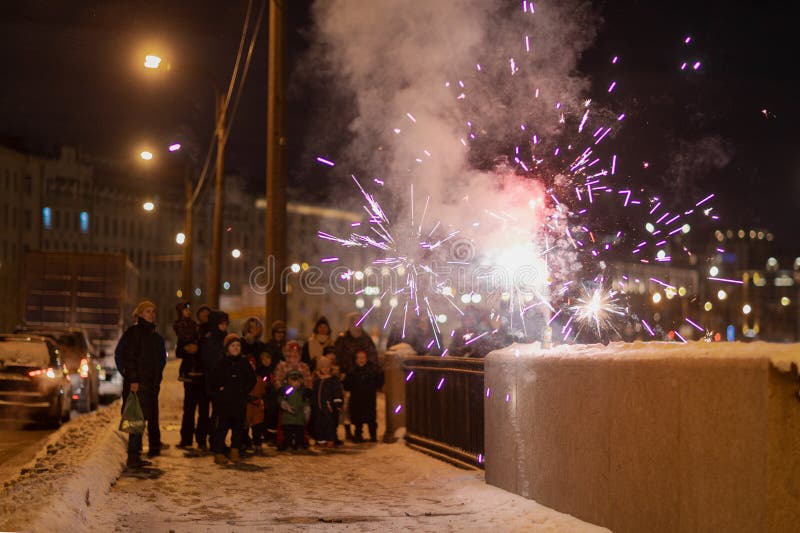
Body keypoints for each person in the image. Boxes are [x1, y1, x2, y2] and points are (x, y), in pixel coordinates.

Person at [118, 300, 166, 468]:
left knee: (141, 419)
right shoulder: (135, 333)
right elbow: (129, 358)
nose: (151, 314)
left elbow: (157, 361)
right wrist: (133, 380)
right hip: (138, 384)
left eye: (153, 311)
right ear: (139, 315)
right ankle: (132, 457)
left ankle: (135, 455)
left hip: (149, 384)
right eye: (148, 312)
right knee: (136, 419)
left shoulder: (153, 335)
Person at [208, 334, 256, 465]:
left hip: (239, 401)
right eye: (233, 345)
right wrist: (220, 390)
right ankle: (219, 452)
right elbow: (213, 380)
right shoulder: (221, 363)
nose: (236, 348)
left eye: (238, 345)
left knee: (238, 427)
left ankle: (235, 450)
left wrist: (244, 390)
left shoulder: (244, 362)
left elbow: (252, 379)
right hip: (224, 402)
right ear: (227, 348)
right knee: (222, 427)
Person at [334, 312, 379, 439]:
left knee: (362, 407)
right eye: (355, 321)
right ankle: (348, 430)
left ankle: (363, 432)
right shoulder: (343, 338)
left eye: (360, 321)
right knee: (346, 405)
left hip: (362, 378)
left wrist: (371, 372)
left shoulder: (366, 338)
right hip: (347, 376)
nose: (358, 323)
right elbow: (337, 356)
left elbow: (373, 356)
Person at [173, 302, 209, 450]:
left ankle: (201, 439)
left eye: (189, 309)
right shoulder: (182, 327)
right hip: (189, 375)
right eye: (185, 309)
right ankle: (186, 439)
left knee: (204, 410)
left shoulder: (198, 328)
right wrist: (187, 348)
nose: (188, 311)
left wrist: (197, 347)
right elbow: (179, 352)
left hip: (202, 374)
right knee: (189, 409)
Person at [200, 310, 229, 449]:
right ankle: (214, 440)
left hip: (223, 380)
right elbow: (210, 360)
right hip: (214, 381)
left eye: (226, 323)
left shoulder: (225, 338)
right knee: (216, 412)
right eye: (222, 323)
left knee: (221, 411)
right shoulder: (210, 339)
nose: (225, 326)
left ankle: (218, 439)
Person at [343, 349, 384, 442]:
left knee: (371, 419)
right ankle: (358, 435)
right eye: (359, 358)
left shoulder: (372, 369)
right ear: (355, 359)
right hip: (356, 399)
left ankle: (373, 435)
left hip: (369, 398)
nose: (361, 360)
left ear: (366, 358)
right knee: (358, 420)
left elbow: (379, 380)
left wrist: (375, 385)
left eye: (363, 357)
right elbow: (347, 384)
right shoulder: (352, 371)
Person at [311, 357, 343, 448]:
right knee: (318, 423)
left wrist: (337, 403)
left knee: (329, 423)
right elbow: (314, 392)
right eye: (323, 367)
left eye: (327, 367)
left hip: (329, 406)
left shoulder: (333, 380)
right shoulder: (317, 380)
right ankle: (320, 440)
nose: (325, 369)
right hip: (318, 406)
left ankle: (330, 439)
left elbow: (337, 392)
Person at [278, 370, 310, 451]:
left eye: (298, 381)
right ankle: (288, 445)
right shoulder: (287, 390)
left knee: (299, 433)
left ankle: (299, 444)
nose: (296, 383)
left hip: (299, 418)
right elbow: (281, 399)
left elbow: (306, 402)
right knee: (288, 434)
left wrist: (306, 411)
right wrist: (286, 406)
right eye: (293, 381)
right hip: (288, 418)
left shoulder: (302, 392)